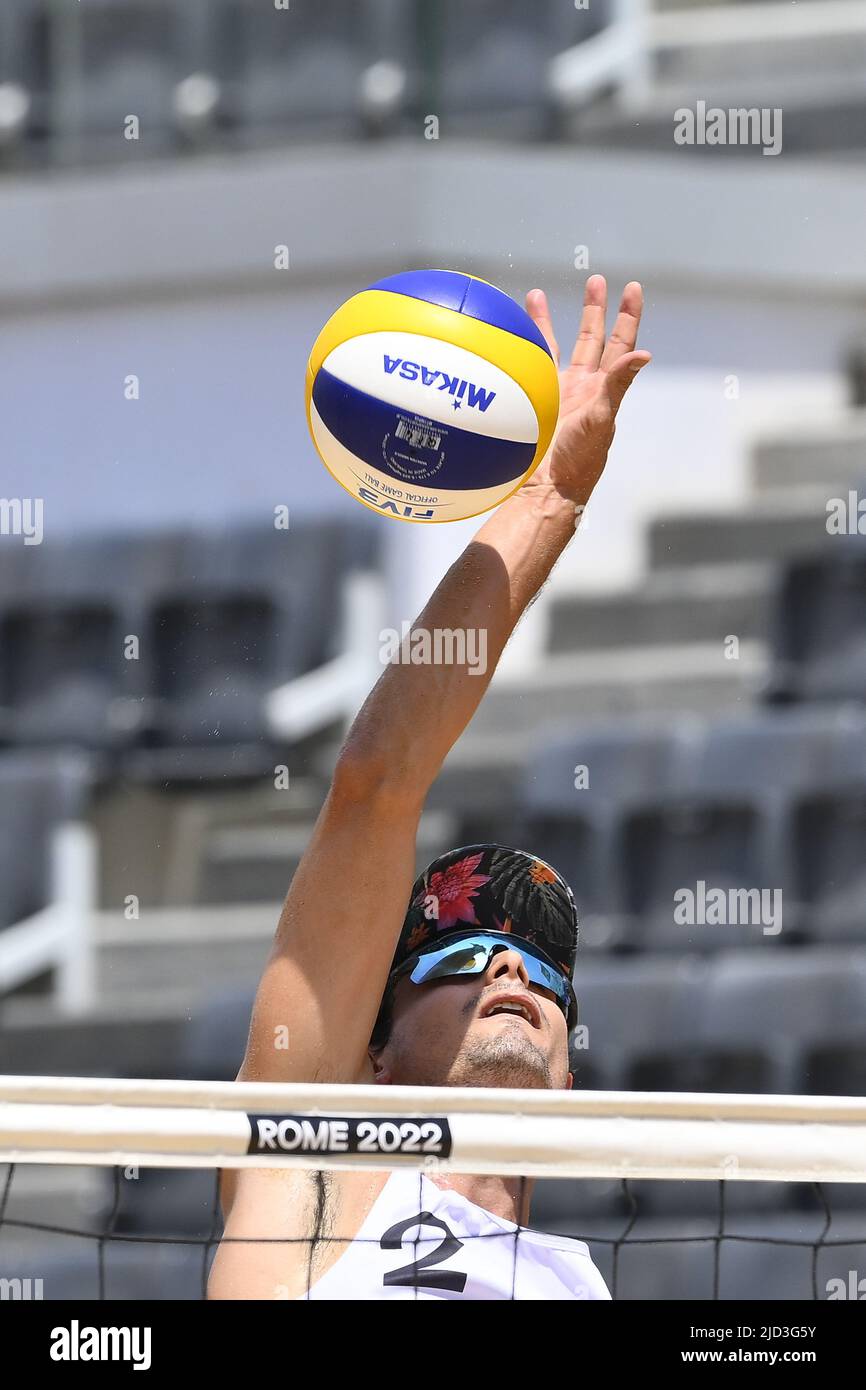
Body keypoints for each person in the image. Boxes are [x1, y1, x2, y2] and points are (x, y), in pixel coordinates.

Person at [208, 275, 651, 1300]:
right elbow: (376, 781)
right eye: (459, 948)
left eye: (546, 971)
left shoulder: (583, 1287)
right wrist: (549, 500)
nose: (512, 965)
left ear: (570, 1074)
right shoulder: (312, 1178)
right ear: (369, 1056)